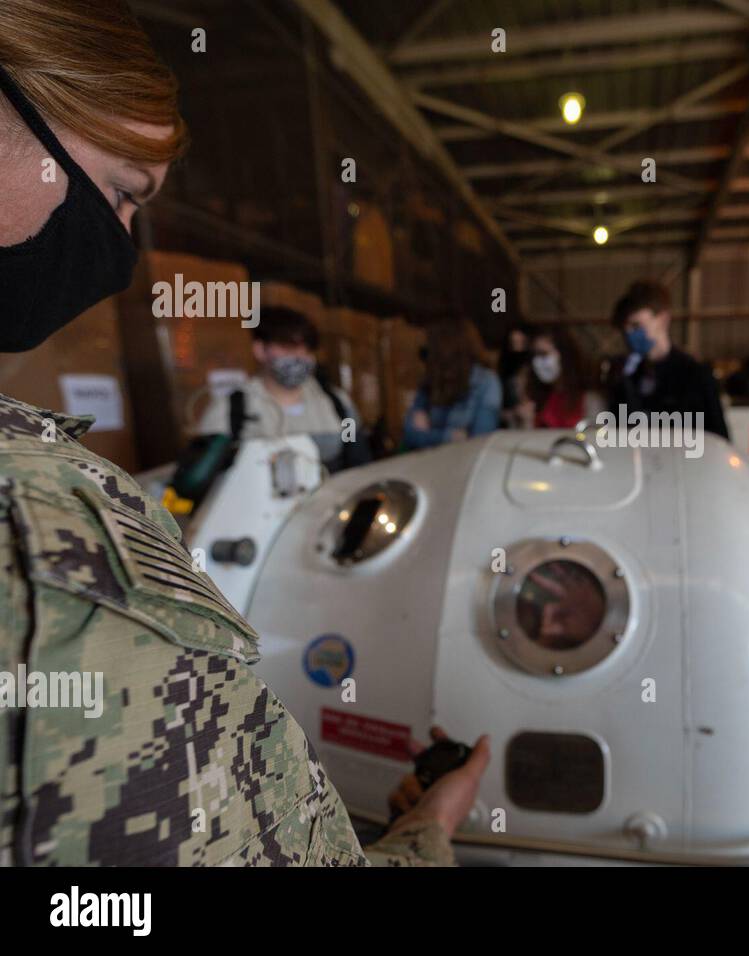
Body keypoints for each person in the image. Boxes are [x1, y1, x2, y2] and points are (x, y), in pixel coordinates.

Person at [0, 0, 485, 866]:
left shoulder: (328, 400)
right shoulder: (103, 495)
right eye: (120, 192)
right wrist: (428, 834)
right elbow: (191, 485)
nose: (124, 238)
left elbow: (360, 467)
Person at [195, 306, 368, 471]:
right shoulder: (230, 411)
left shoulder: (339, 404)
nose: (300, 357)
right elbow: (205, 474)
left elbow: (357, 457)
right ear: (260, 350)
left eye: (307, 350)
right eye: (289, 348)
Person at [607, 279, 729, 440]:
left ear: (663, 319)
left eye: (636, 326)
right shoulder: (627, 378)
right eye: (625, 329)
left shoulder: (695, 376)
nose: (629, 334)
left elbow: (719, 438)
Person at [404, 317, 502, 448]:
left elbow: (480, 441)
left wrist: (429, 434)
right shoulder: (430, 383)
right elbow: (410, 435)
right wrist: (450, 437)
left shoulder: (486, 383)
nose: (428, 358)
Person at [522, 324, 605, 429]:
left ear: (564, 356)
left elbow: (598, 440)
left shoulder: (589, 400)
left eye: (543, 354)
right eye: (534, 355)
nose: (537, 362)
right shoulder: (534, 400)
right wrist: (526, 421)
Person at [497, 323, 534, 429]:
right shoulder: (503, 371)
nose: (518, 349)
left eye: (522, 343)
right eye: (514, 344)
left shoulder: (535, 368)